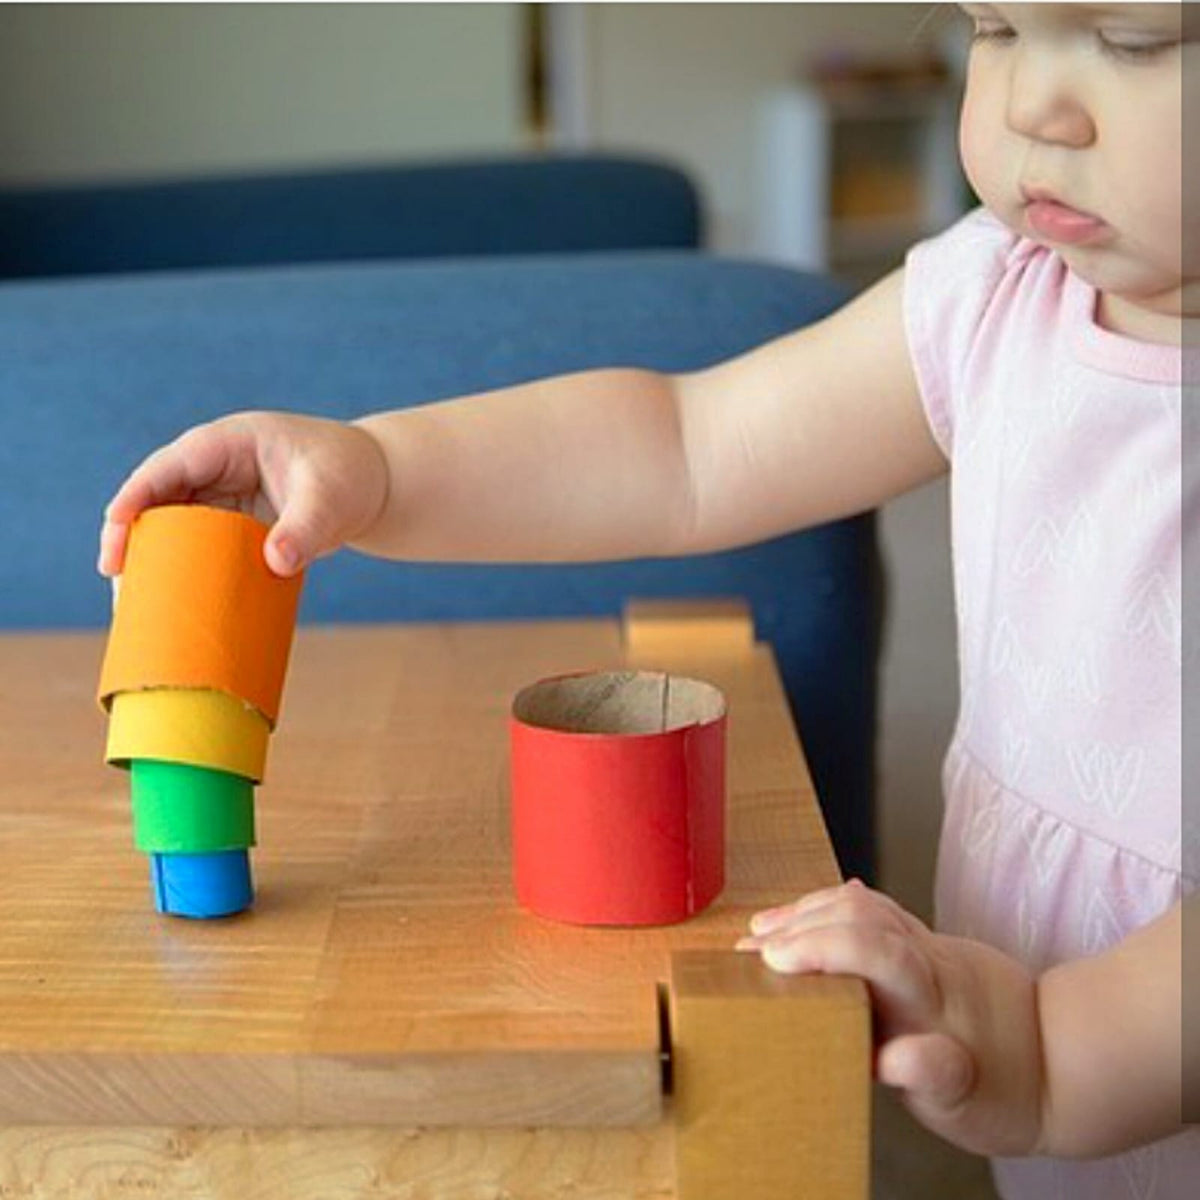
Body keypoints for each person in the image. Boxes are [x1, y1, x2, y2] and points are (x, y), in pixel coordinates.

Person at [97, 3, 1195, 1195]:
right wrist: (376, 470)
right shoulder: (997, 294)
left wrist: (1050, 1048)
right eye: (992, 29)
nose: (1035, 104)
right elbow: (686, 446)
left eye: (1135, 41)